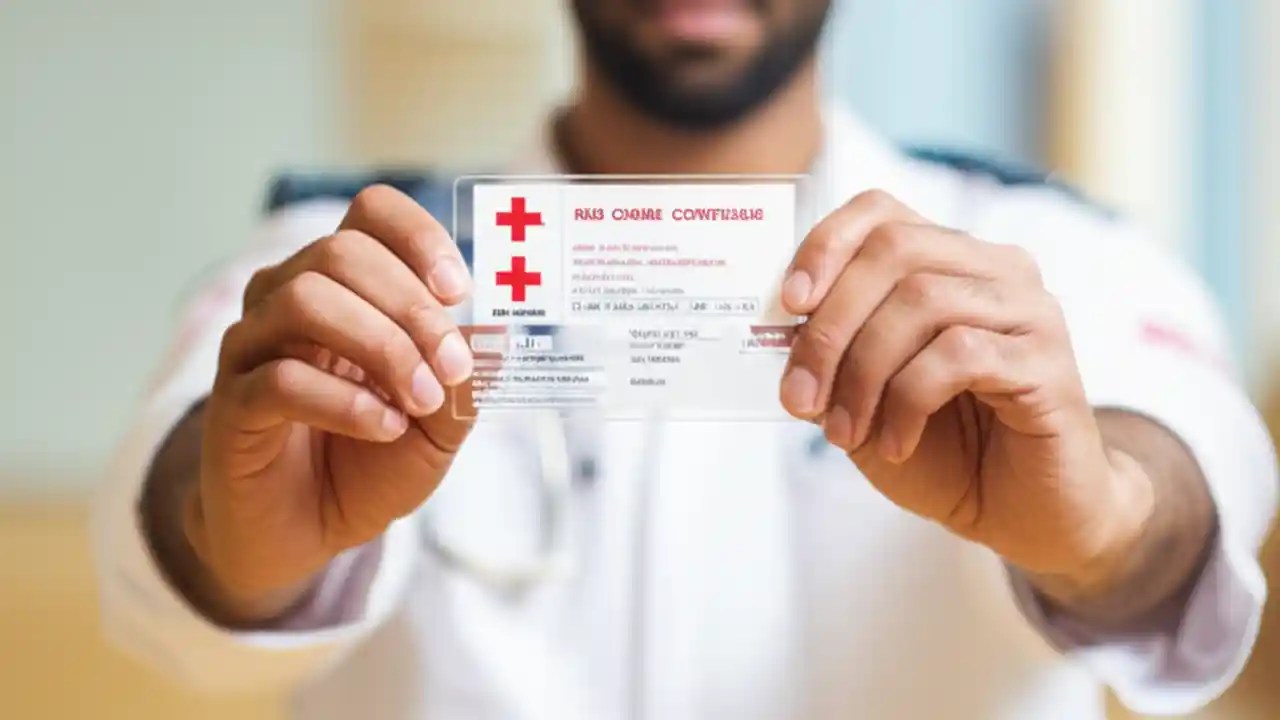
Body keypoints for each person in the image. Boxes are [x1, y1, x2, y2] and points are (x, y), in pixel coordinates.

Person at [94, 1, 1278, 718]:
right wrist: (233, 538)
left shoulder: (1051, 259)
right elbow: (175, 497)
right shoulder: (341, 261)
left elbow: (1188, 473)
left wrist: (1101, 522)